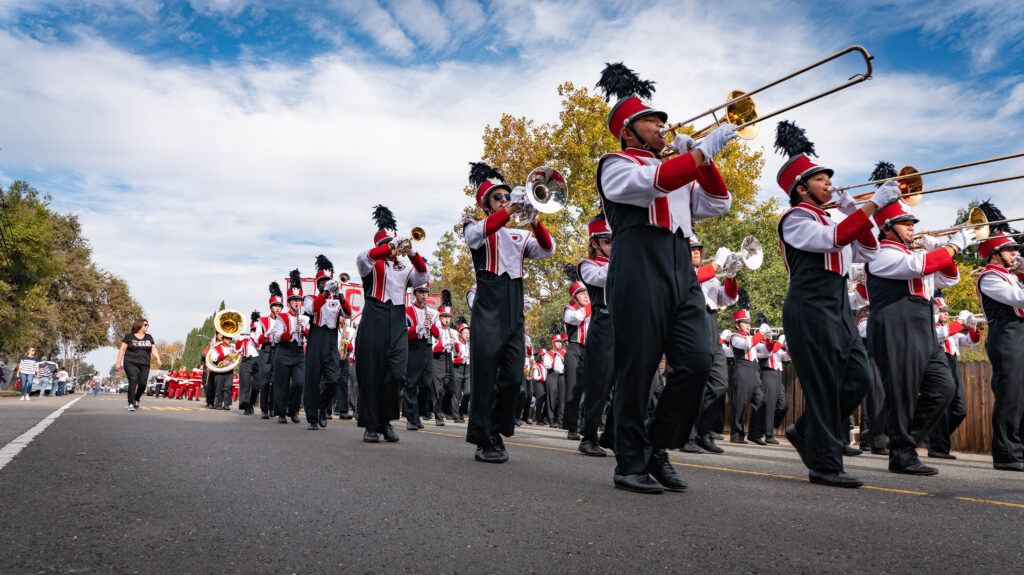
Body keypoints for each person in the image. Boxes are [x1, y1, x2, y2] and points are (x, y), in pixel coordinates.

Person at [595, 62, 736, 493]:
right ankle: (630, 462)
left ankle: (656, 445)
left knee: (696, 361)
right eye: (651, 120)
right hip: (638, 265)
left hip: (679, 266)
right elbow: (654, 180)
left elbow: (718, 202)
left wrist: (702, 160)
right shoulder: (615, 164)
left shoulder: (677, 166)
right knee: (637, 369)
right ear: (628, 131)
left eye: (661, 119)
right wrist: (698, 154)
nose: (662, 125)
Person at [773, 127, 901, 488]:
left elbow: (870, 250)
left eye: (829, 177)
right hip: (809, 304)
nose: (829, 183)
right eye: (820, 178)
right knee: (826, 384)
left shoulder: (832, 216)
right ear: (801, 189)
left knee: (858, 378)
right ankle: (825, 465)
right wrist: (871, 205)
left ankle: (807, 430)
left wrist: (854, 208)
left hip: (837, 305)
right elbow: (836, 240)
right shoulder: (795, 218)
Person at [867, 200, 966, 475]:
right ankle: (902, 455)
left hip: (922, 324)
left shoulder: (913, 256)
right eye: (905, 223)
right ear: (887, 229)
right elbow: (917, 266)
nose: (912, 228)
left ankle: (902, 441)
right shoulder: (881, 253)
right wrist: (953, 246)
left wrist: (942, 250)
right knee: (903, 392)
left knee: (944, 388)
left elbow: (949, 279)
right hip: (895, 323)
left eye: (913, 223)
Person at [464, 162, 555, 462]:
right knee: (485, 375)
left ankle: (498, 429)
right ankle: (484, 437)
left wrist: (534, 221)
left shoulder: (518, 236)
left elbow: (547, 249)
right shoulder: (475, 227)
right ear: (486, 204)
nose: (504, 201)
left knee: (514, 376)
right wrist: (512, 207)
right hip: (488, 301)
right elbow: (481, 233)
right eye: (498, 198)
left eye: (506, 196)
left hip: (515, 302)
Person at [355, 205, 430, 443]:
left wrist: (411, 253)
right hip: (374, 314)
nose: (393, 248)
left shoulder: (403, 266)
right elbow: (366, 257)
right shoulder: (369, 260)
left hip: (397, 318)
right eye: (388, 244)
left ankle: (386, 420)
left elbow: (423, 276)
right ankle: (371, 424)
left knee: (396, 372)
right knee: (371, 372)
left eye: (393, 243)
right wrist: (388, 246)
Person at [684, 236, 740, 454]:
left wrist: (731, 276)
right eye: (691, 249)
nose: (696, 251)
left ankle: (702, 432)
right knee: (693, 384)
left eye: (698, 248)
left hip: (711, 323)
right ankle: (687, 434)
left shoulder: (709, 275)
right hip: (691, 322)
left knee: (719, 383)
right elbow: (693, 278)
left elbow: (726, 299)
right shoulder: (680, 269)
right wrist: (718, 263)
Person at [974, 229, 1024, 471]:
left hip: (1018, 335)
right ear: (995, 254)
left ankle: (1018, 448)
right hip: (1005, 336)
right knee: (1010, 395)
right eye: (1009, 249)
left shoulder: (1010, 275)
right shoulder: (989, 277)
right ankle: (1006, 453)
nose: (1015, 253)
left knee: (1021, 396)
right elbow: (1019, 299)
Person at [926, 298, 982, 459]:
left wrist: (973, 328)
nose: (946, 313)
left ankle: (933, 436)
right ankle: (937, 446)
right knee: (941, 409)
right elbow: (941, 334)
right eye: (941, 310)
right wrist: (961, 321)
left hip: (952, 363)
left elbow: (969, 342)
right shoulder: (930, 328)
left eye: (946, 310)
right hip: (938, 363)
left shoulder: (949, 329)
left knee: (960, 410)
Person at [578, 214, 615, 456]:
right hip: (603, 323)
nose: (615, 245)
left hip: (628, 323)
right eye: (609, 241)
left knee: (632, 383)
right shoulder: (588, 265)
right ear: (595, 243)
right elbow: (604, 278)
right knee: (599, 385)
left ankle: (612, 434)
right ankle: (588, 436)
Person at [303, 255, 352, 430]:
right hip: (315, 338)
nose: (326, 284)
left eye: (328, 282)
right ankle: (312, 418)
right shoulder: (309, 297)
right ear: (318, 284)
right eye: (323, 282)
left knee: (333, 380)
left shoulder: (335, 300)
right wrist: (325, 293)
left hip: (331, 339)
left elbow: (348, 314)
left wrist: (340, 296)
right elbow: (311, 309)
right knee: (312, 381)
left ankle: (322, 408)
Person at [271, 270, 310, 424]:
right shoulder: (281, 316)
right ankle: (281, 413)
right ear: (289, 302)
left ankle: (292, 410)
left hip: (299, 351)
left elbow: (310, 335)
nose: (296, 303)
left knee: (300, 382)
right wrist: (293, 330)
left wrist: (304, 330)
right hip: (284, 350)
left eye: (299, 300)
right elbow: (278, 336)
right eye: (293, 300)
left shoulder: (305, 317)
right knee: (282, 383)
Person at [404, 283, 440, 430]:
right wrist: (419, 326)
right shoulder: (407, 311)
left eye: (426, 292)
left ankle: (417, 414)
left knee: (426, 384)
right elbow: (404, 333)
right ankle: (411, 418)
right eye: (421, 292)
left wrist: (430, 324)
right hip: (414, 347)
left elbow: (438, 334)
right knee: (411, 384)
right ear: (415, 293)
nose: (424, 295)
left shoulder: (432, 312)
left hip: (427, 347)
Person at [561, 267, 592, 441]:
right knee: (573, 390)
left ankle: (586, 424)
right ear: (575, 296)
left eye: (588, 293)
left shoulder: (590, 309)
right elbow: (577, 318)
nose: (586, 296)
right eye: (582, 293)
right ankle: (572, 427)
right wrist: (592, 304)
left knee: (590, 390)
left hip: (590, 350)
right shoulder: (569, 309)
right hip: (574, 349)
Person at [729, 311, 766, 444]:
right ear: (737, 325)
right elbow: (747, 345)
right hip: (743, 369)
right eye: (745, 323)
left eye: (749, 323)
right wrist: (761, 332)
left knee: (762, 401)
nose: (749, 326)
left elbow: (767, 351)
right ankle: (736, 435)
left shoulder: (751, 338)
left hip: (754, 370)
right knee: (741, 404)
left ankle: (754, 434)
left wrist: (768, 339)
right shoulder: (735, 337)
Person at [116, 318, 161, 412]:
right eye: (145, 325)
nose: (147, 326)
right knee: (133, 380)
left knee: (143, 383)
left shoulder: (149, 337)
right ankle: (131, 403)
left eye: (147, 325)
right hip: (130, 362)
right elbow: (122, 349)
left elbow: (153, 349)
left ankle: (136, 399)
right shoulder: (129, 336)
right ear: (139, 325)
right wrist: (118, 362)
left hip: (144, 364)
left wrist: (158, 359)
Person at [256, 282, 284, 418]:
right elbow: (257, 339)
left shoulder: (284, 320)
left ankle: (274, 408)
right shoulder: (262, 321)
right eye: (275, 306)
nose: (278, 308)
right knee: (265, 381)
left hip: (279, 350)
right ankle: (263, 410)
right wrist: (267, 333)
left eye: (279, 306)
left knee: (276, 380)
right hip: (266, 351)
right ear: (271, 307)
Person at [431, 294, 457, 425]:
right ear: (440, 317)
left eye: (449, 317)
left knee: (451, 388)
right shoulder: (436, 329)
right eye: (445, 317)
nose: (447, 319)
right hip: (438, 359)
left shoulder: (452, 331)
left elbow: (457, 350)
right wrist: (445, 342)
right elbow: (433, 347)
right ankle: (438, 415)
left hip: (448, 359)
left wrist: (454, 342)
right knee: (438, 388)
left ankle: (445, 409)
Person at [235, 312, 263, 415]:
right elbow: (237, 349)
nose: (253, 331)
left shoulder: (259, 339)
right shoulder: (245, 340)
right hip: (246, 362)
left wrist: (253, 337)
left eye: (255, 330)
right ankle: (246, 406)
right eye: (252, 330)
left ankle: (251, 403)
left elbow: (260, 347)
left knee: (256, 386)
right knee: (245, 386)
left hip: (257, 361)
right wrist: (240, 340)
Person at [206, 334, 236, 410]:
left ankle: (226, 404)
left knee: (228, 387)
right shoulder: (216, 348)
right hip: (219, 370)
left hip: (229, 370)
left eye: (229, 339)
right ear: (223, 339)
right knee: (219, 388)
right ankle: (218, 404)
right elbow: (213, 358)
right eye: (226, 339)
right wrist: (224, 355)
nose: (228, 340)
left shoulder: (233, 348)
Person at [335, 318, 356, 419]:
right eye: (341, 316)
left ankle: (343, 411)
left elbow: (351, 348)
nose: (343, 319)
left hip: (345, 357)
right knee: (331, 382)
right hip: (334, 356)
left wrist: (347, 340)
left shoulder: (350, 330)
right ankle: (325, 410)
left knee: (344, 383)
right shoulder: (333, 329)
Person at [452, 318, 471, 423]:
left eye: (468, 333)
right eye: (465, 333)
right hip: (458, 369)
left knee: (468, 392)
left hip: (467, 369)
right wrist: (465, 355)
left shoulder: (470, 345)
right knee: (457, 394)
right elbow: (454, 358)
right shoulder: (456, 343)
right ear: (460, 334)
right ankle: (456, 415)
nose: (467, 335)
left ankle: (461, 411)